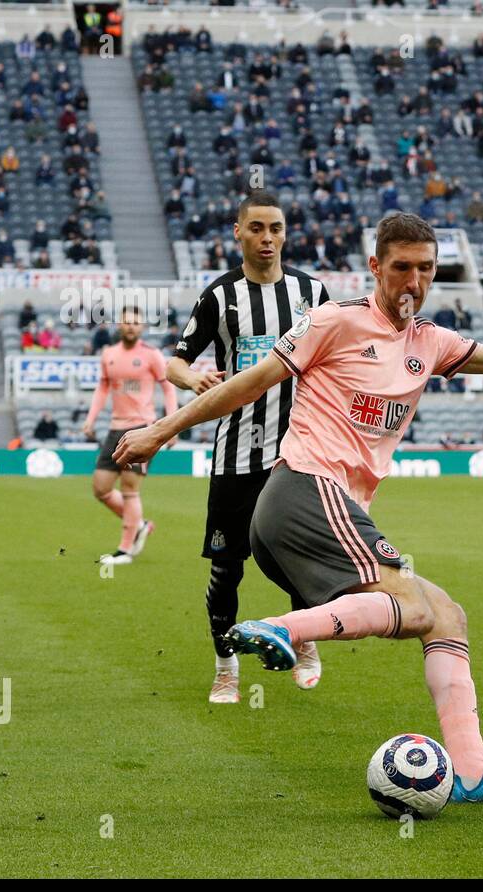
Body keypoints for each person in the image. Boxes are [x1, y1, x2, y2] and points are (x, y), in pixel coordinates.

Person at [114, 212, 483, 803]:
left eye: (427, 269)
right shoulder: (333, 322)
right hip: (304, 490)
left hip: (331, 507)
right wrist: (161, 430)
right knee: (410, 606)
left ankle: (471, 775)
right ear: (375, 268)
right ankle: (277, 628)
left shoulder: (429, 342)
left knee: (446, 616)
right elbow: (248, 384)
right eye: (402, 267)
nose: (414, 280)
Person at [167, 191, 332, 702]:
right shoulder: (220, 296)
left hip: (297, 451)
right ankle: (225, 666)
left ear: (286, 233)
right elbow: (175, 359)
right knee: (226, 565)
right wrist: (192, 378)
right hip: (236, 450)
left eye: (276, 229)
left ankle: (303, 640)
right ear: (238, 232)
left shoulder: (313, 292)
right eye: (256, 228)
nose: (267, 238)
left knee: (297, 559)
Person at [82, 304, 177, 566]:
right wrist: (90, 420)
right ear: (119, 325)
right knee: (100, 488)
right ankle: (140, 524)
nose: (131, 326)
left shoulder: (152, 355)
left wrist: (171, 424)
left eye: (136, 322)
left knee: (129, 490)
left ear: (142, 327)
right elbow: (102, 389)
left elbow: (168, 389)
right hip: (114, 427)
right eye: (127, 322)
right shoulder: (109, 354)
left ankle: (125, 550)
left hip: (142, 428)